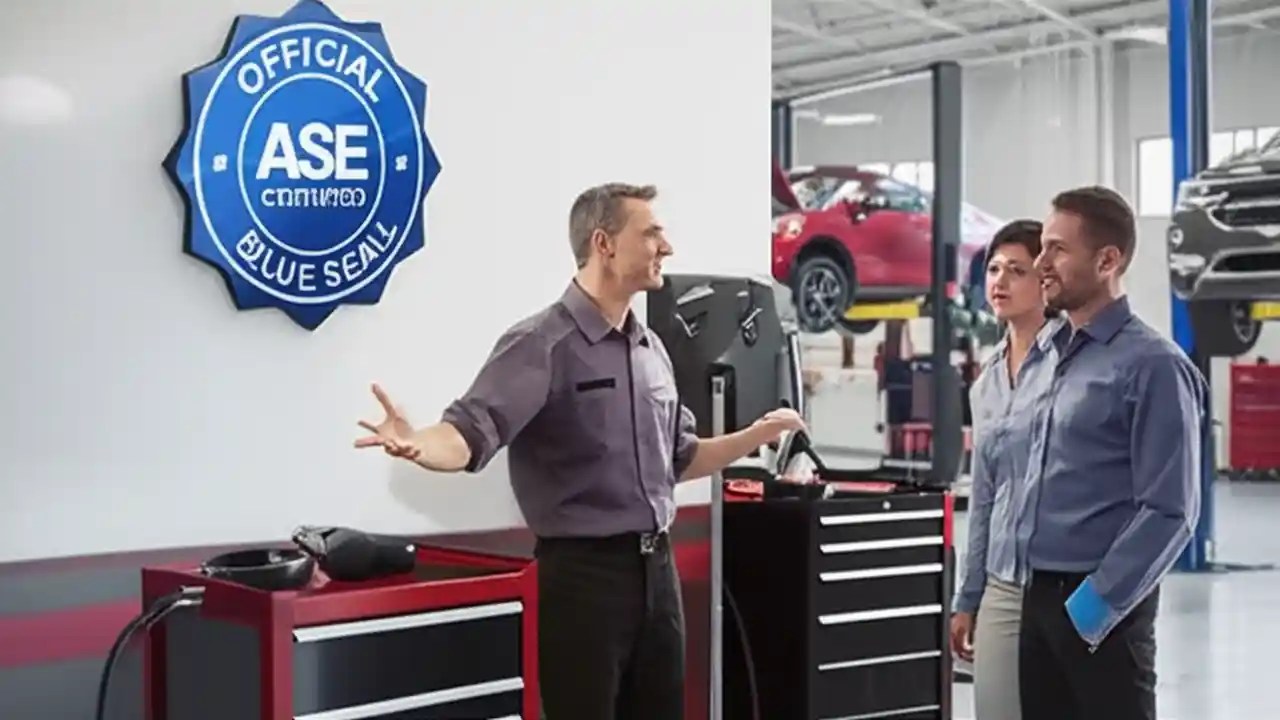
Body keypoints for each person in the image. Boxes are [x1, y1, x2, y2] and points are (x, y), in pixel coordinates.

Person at [353, 182, 806, 720]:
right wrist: (417, 444)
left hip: (658, 576)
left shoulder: (651, 349)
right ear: (604, 244)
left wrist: (755, 435)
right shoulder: (540, 344)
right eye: (651, 234)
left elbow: (680, 458)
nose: (666, 247)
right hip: (583, 581)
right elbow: (469, 432)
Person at [1016, 186, 1208, 720]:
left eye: (1057, 249)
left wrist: (1092, 607)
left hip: (1101, 612)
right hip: (1037, 598)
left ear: (1107, 261)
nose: (1040, 263)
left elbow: (1171, 509)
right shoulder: (1052, 354)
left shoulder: (1154, 366)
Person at [951, 219, 1063, 720]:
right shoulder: (987, 383)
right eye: (994, 269)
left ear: (1046, 281)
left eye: (1017, 270)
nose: (1000, 281)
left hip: (1064, 581)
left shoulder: (1073, 364)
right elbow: (985, 495)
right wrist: (968, 595)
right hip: (1003, 581)